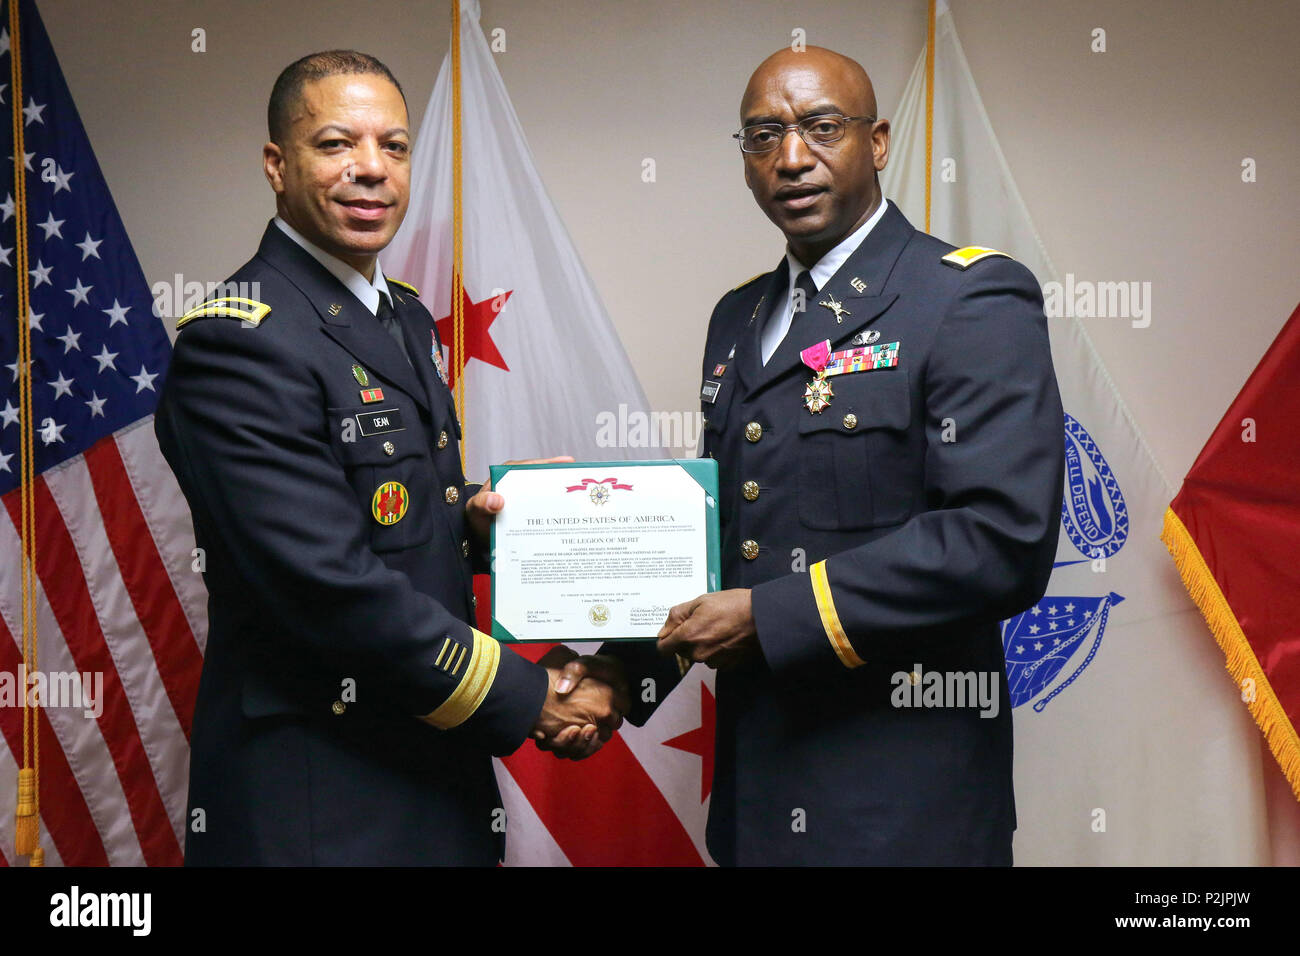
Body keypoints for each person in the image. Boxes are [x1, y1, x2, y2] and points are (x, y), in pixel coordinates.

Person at [556, 46, 1063, 865]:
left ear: (880, 141)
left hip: (904, 805)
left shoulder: (966, 296)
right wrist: (617, 675)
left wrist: (771, 617)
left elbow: (1001, 540)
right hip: (758, 794)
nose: (791, 158)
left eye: (821, 128)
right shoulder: (739, 315)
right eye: (763, 136)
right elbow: (720, 543)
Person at [155, 50, 625, 866]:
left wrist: (487, 518)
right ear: (277, 164)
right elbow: (323, 582)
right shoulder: (240, 341)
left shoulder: (400, 317)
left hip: (433, 766)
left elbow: (398, 513)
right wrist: (529, 696)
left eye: (395, 147)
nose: (370, 170)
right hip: (321, 793)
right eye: (336, 144)